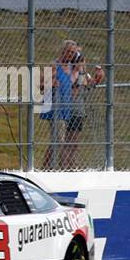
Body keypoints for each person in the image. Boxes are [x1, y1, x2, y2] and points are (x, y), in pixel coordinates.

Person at [39, 40, 104, 171]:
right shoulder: (54, 65)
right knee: (57, 140)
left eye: (73, 53)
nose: (70, 54)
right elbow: (40, 84)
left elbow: (84, 82)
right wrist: (50, 82)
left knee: (61, 141)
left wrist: (96, 79)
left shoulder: (71, 67)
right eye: (68, 52)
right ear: (62, 51)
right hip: (55, 107)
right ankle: (46, 169)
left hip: (66, 108)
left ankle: (55, 169)